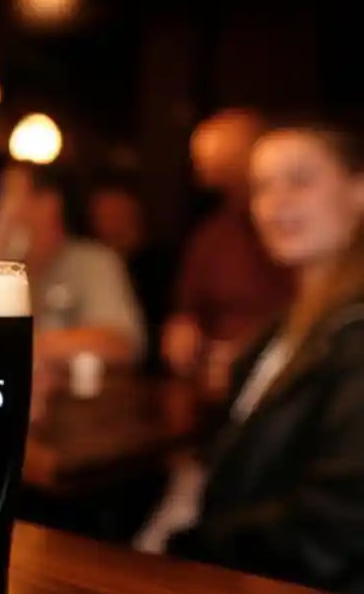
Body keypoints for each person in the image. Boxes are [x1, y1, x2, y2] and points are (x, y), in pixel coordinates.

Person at [150, 122, 364, 594]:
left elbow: (339, 522)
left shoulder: (355, 330)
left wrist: (189, 550)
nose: (276, 201)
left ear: (359, 190)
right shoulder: (292, 320)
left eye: (300, 180)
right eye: (262, 186)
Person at [163, 109, 293, 392]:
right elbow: (188, 312)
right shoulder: (212, 234)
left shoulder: (298, 230)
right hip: (217, 382)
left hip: (286, 379)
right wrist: (184, 334)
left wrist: (252, 354)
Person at [22, 165, 146, 369]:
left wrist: (18, 346)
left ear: (50, 205)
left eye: (10, 197)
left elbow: (123, 344)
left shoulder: (95, 262)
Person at [87, 179, 175, 366]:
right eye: (104, 214)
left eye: (118, 213)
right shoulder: (93, 265)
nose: (110, 221)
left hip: (155, 370)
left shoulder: (162, 266)